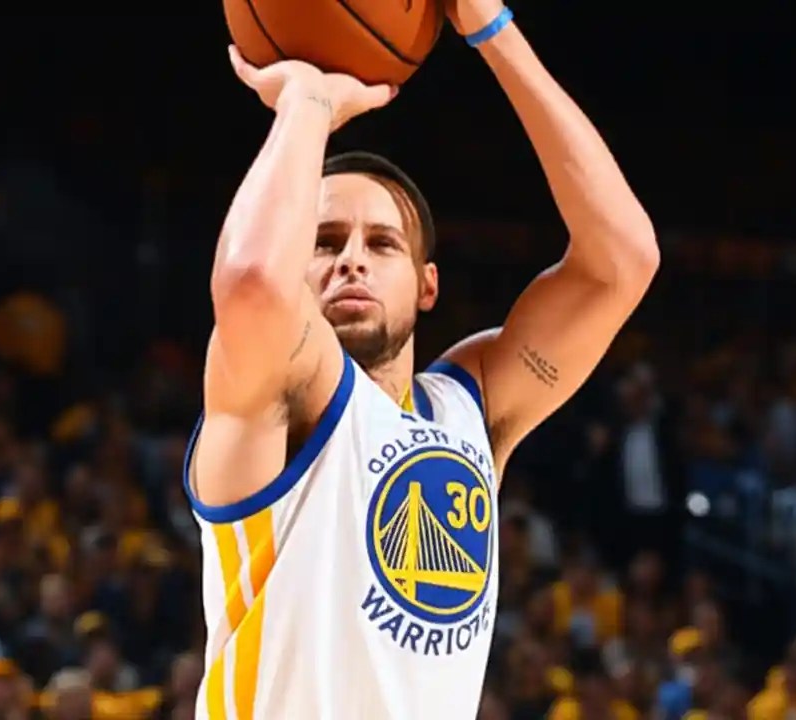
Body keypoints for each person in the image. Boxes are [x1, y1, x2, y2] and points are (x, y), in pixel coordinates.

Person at [187, 0, 659, 716]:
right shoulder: (279, 394)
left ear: (427, 282)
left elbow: (623, 260)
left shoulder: (471, 407)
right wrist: (307, 104)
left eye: (380, 244)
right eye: (323, 242)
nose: (350, 261)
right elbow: (253, 281)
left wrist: (495, 31)